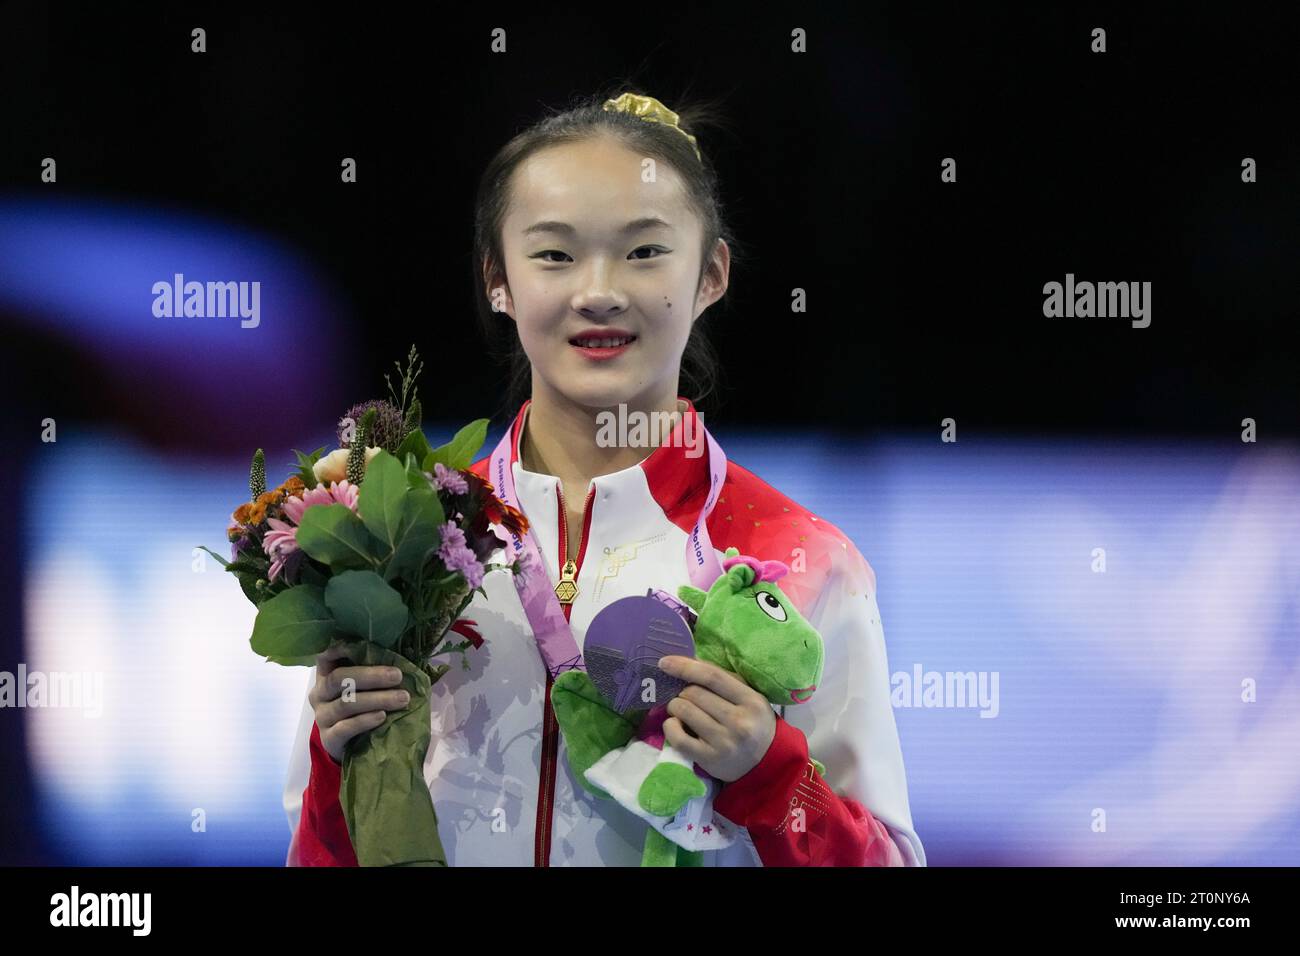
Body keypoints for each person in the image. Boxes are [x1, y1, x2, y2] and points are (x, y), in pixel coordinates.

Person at [282, 89, 925, 867]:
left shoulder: (801, 558)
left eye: (645, 251)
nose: (598, 291)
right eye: (554, 254)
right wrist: (335, 759)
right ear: (499, 280)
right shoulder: (406, 540)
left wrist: (769, 771)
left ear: (711, 274)